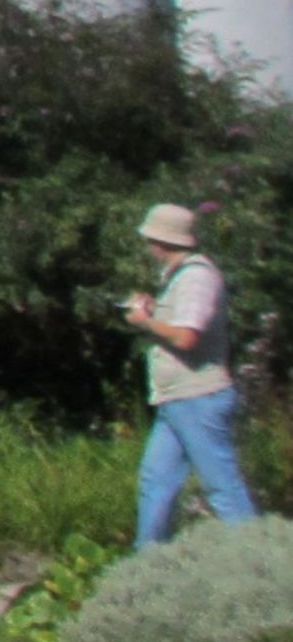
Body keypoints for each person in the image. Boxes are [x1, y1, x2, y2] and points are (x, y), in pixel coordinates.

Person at [128, 202, 261, 547]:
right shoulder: (178, 277)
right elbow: (181, 322)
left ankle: (260, 562)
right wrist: (156, 311)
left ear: (160, 241)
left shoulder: (197, 277)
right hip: (176, 399)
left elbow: (187, 336)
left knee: (222, 487)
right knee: (155, 481)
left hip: (198, 398)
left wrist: (145, 322)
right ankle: (148, 565)